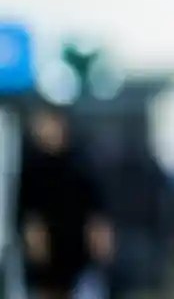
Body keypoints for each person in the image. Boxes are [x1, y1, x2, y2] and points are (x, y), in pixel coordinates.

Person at [16, 105, 114, 299]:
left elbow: (95, 205)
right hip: (47, 247)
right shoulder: (31, 166)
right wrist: (32, 234)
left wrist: (100, 234)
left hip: (77, 243)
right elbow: (27, 209)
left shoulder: (80, 162)